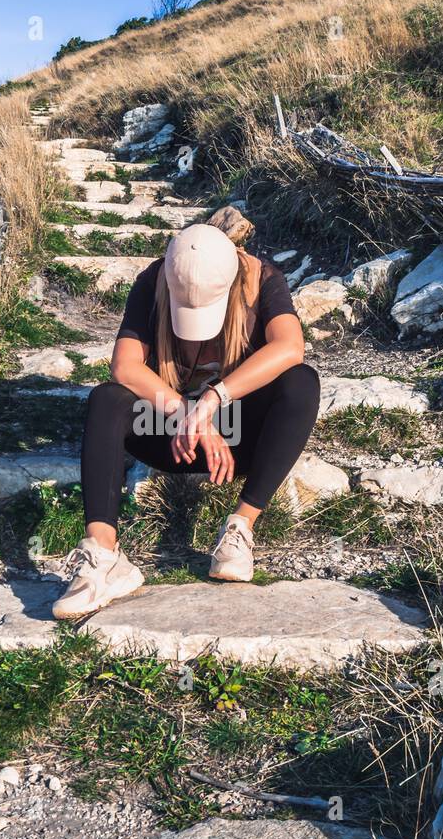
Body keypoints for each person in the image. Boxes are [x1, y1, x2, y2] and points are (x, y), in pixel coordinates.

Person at [52, 222, 320, 619]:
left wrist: (213, 400)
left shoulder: (262, 279)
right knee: (107, 399)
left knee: (301, 382)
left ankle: (240, 528)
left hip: (237, 440)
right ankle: (103, 556)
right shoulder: (153, 280)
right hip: (165, 430)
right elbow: (124, 367)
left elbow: (290, 347)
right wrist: (185, 413)